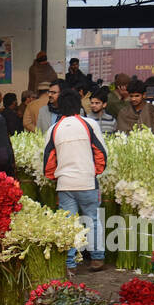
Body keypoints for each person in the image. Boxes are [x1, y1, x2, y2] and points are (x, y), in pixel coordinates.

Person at [43, 88, 108, 275]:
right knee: (92, 220)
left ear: (59, 107)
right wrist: (93, 172)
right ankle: (97, 258)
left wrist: (54, 177)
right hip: (87, 181)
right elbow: (101, 152)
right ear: (79, 106)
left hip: (65, 185)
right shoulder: (90, 124)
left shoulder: (54, 129)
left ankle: (70, 263)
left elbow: (48, 160)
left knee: (68, 224)